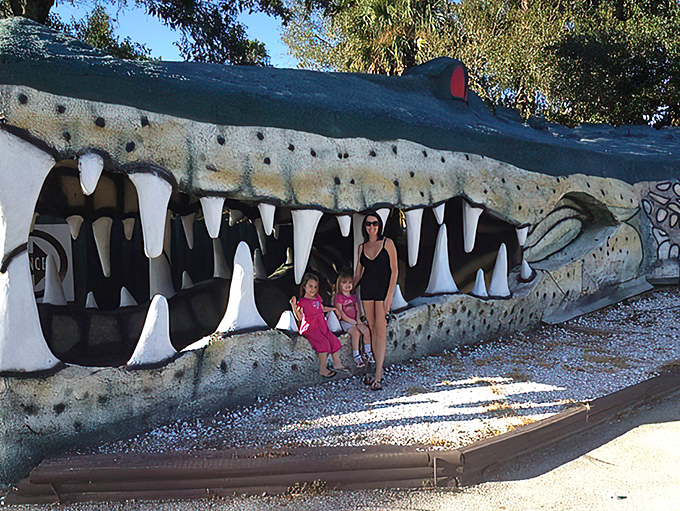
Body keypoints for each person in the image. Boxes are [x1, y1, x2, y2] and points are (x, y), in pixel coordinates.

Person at [353, 211, 398, 391]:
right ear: (365, 227)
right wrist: (342, 290)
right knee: (371, 330)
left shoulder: (388, 243)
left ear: (380, 226)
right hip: (367, 292)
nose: (372, 227)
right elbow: (358, 274)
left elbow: (394, 271)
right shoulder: (361, 247)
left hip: (382, 292)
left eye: (375, 223)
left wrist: (389, 296)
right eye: (368, 224)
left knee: (380, 331)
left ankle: (378, 374)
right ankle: (372, 371)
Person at [290, 273, 348, 378]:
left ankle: (337, 363)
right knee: (323, 344)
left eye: (315, 287)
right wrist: (294, 306)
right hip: (311, 328)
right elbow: (299, 317)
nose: (313, 289)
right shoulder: (302, 302)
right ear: (304, 287)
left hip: (322, 326)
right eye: (310, 286)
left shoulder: (317, 299)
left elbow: (322, 308)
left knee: (333, 340)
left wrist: (334, 309)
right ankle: (322, 369)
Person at [333, 273, 372, 369]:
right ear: (339, 284)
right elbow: (340, 312)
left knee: (366, 330)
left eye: (350, 282)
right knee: (355, 333)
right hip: (345, 321)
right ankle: (356, 355)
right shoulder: (339, 297)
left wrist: (358, 320)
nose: (347, 285)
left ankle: (368, 352)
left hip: (355, 320)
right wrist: (351, 321)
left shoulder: (354, 297)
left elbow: (358, 309)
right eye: (344, 282)